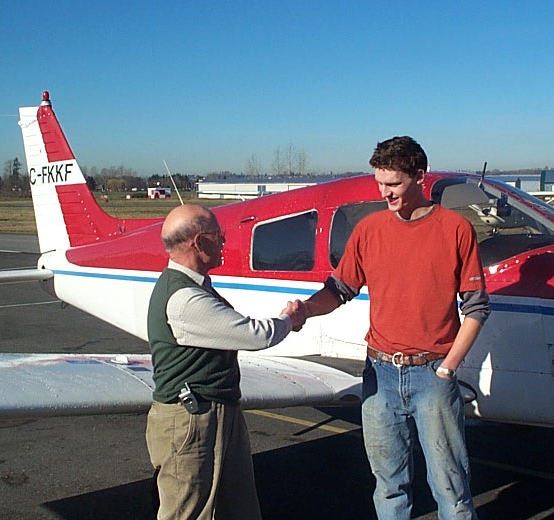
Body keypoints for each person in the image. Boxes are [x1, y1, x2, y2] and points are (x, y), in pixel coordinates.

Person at [299, 136, 490, 520]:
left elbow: (476, 308)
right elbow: (340, 289)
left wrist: (448, 367)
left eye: (394, 184)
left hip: (433, 375)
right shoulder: (369, 230)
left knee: (451, 490)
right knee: (389, 488)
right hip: (380, 376)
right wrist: (303, 310)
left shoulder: (456, 229)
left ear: (420, 176)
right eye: (380, 184)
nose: (384, 193)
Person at [145, 204, 306, 520]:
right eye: (219, 236)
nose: (224, 243)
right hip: (191, 421)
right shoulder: (184, 298)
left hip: (215, 412)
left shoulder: (194, 285)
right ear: (198, 242)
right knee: (187, 511)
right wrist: (290, 318)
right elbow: (255, 335)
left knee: (237, 507)